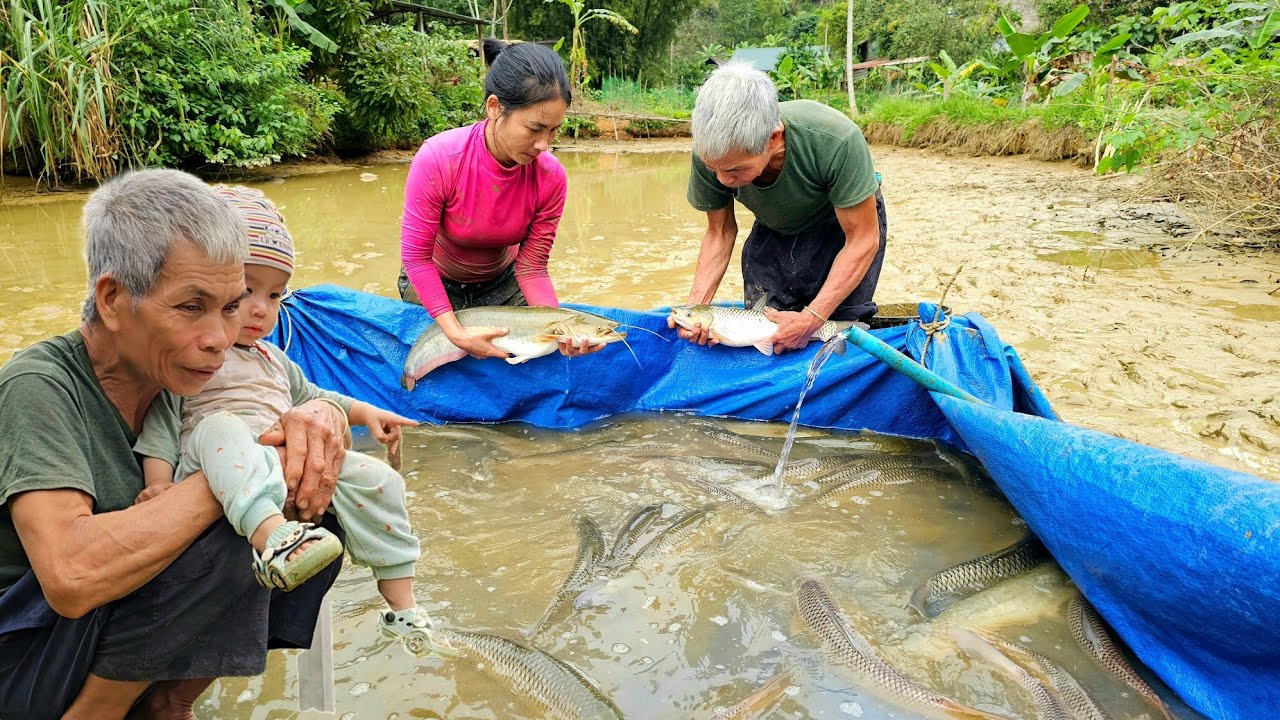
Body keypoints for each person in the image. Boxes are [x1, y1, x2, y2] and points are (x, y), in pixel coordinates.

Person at [0, 169, 348, 720]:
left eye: (232, 307)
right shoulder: (39, 385)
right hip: (31, 655)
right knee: (243, 519)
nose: (219, 338)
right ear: (113, 299)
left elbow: (308, 398)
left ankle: (170, 700)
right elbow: (71, 575)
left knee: (315, 503)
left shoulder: (189, 375)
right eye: (191, 307)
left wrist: (323, 419)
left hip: (110, 637)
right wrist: (234, 481)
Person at [133, 185, 435, 653]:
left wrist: (368, 413)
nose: (260, 308)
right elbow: (163, 419)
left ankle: (402, 604)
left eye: (275, 296)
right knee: (223, 427)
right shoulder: (194, 357)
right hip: (215, 463)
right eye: (245, 292)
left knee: (381, 481)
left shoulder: (274, 360)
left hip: (281, 461)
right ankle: (274, 538)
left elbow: (318, 397)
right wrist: (157, 482)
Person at [398, 41, 602, 362]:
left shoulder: (551, 177)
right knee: (429, 355)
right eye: (535, 128)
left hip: (503, 282)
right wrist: (454, 331)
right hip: (434, 279)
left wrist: (562, 329)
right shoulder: (439, 158)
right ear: (495, 107)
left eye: (553, 131)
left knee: (540, 358)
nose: (543, 145)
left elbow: (532, 268)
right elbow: (416, 259)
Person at [670, 62, 889, 354]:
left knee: (835, 335)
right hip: (775, 224)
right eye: (714, 169)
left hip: (841, 228)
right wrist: (696, 311)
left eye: (735, 170)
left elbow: (863, 239)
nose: (723, 180)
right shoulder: (711, 152)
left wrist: (812, 319)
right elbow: (719, 232)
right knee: (772, 333)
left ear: (773, 139)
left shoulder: (835, 141)